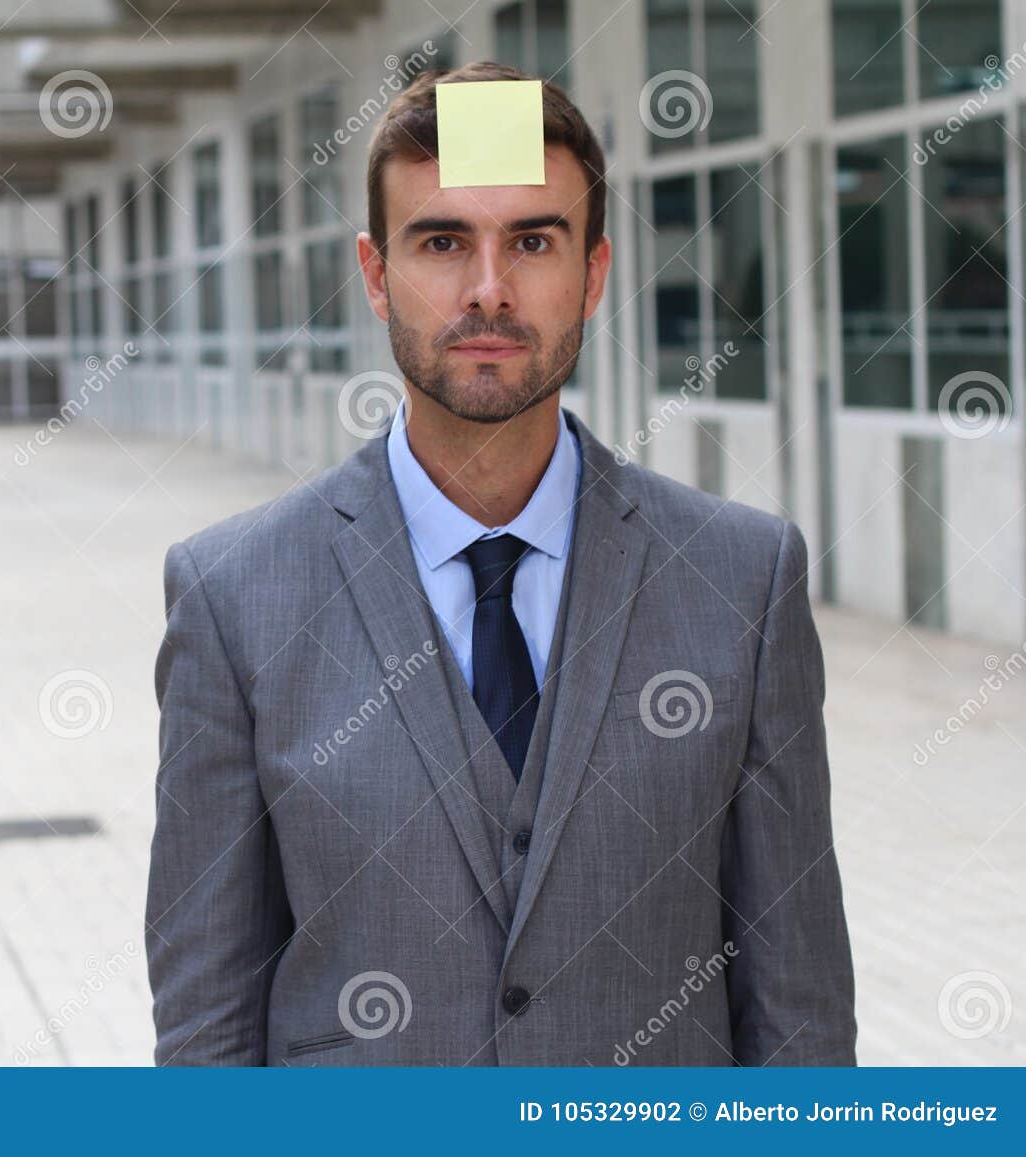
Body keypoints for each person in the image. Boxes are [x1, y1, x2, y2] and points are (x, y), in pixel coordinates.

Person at [144, 60, 855, 1066]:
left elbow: (800, 1009)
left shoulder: (741, 579)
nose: (488, 289)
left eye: (532, 240)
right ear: (376, 271)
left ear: (595, 273)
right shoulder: (235, 598)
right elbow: (206, 1022)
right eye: (442, 241)